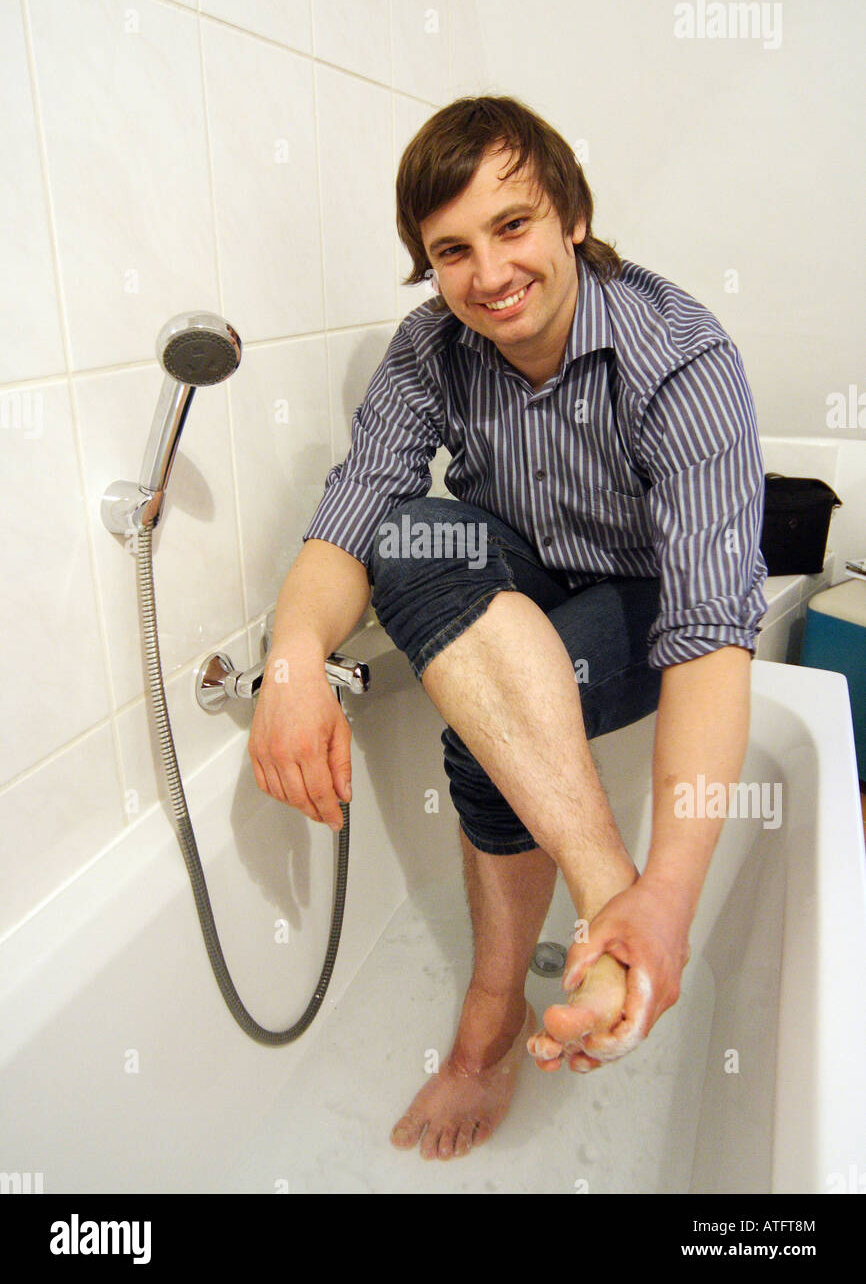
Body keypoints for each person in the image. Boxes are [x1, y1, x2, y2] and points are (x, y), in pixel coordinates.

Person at [248, 95, 768, 1162]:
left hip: (639, 601)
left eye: (512, 226)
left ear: (570, 215)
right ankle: (601, 898)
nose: (486, 274)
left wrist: (672, 892)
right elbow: (351, 518)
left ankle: (492, 1020)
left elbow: (710, 629)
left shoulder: (680, 358)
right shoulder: (431, 348)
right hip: (512, 576)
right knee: (407, 535)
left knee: (494, 728)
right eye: (451, 249)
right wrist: (290, 660)